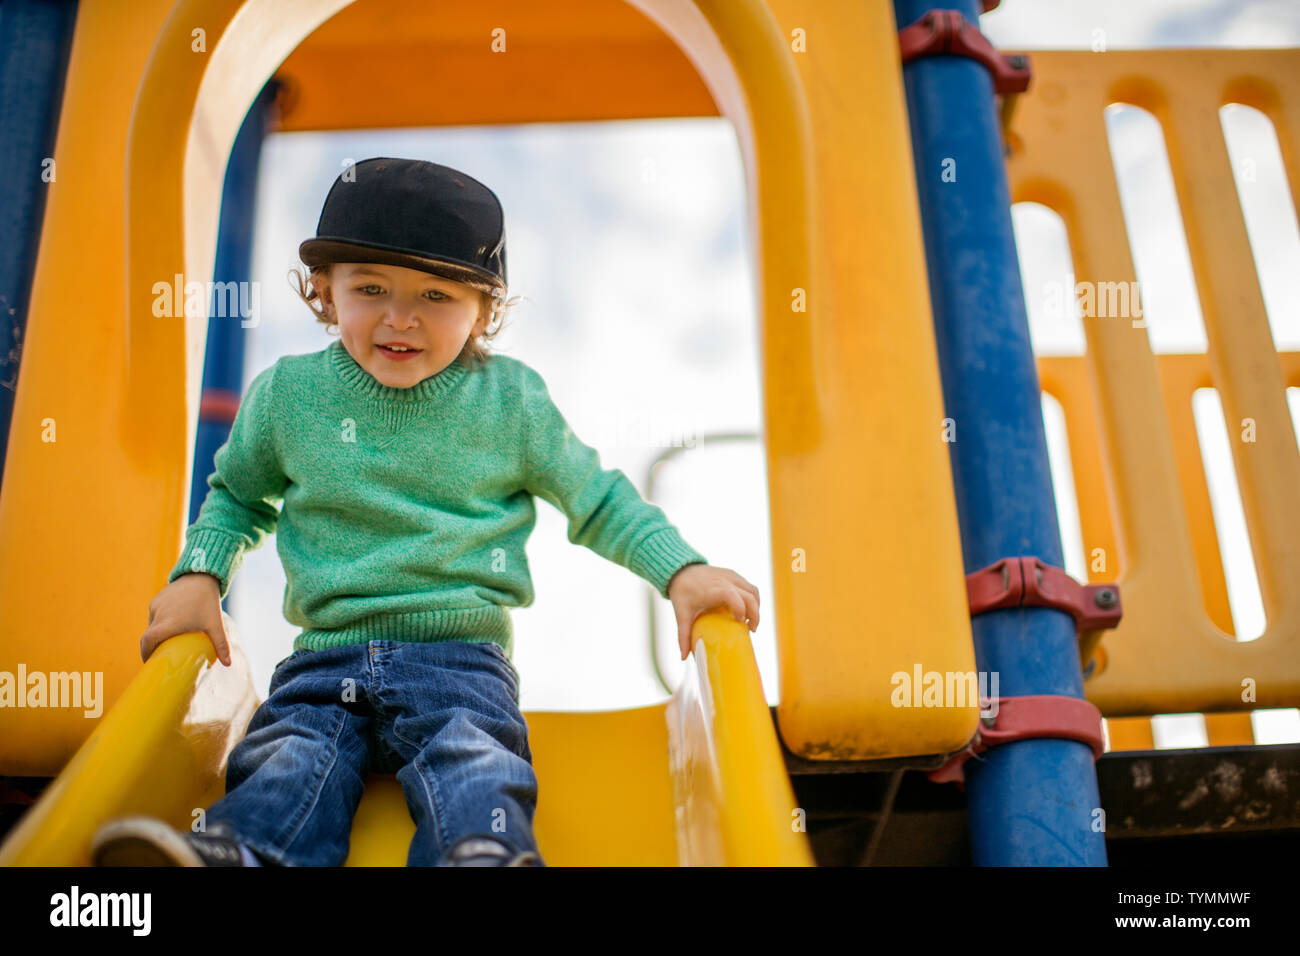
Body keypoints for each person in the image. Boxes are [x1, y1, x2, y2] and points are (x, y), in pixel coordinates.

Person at [90, 157, 761, 867]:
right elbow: (237, 496)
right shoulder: (289, 395)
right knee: (289, 754)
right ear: (324, 293)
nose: (399, 318)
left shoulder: (511, 403)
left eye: (437, 295)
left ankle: (479, 854)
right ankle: (241, 854)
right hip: (323, 659)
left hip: (458, 660)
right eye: (370, 288)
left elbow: (597, 499)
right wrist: (201, 572)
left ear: (483, 311)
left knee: (472, 753)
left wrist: (679, 571)